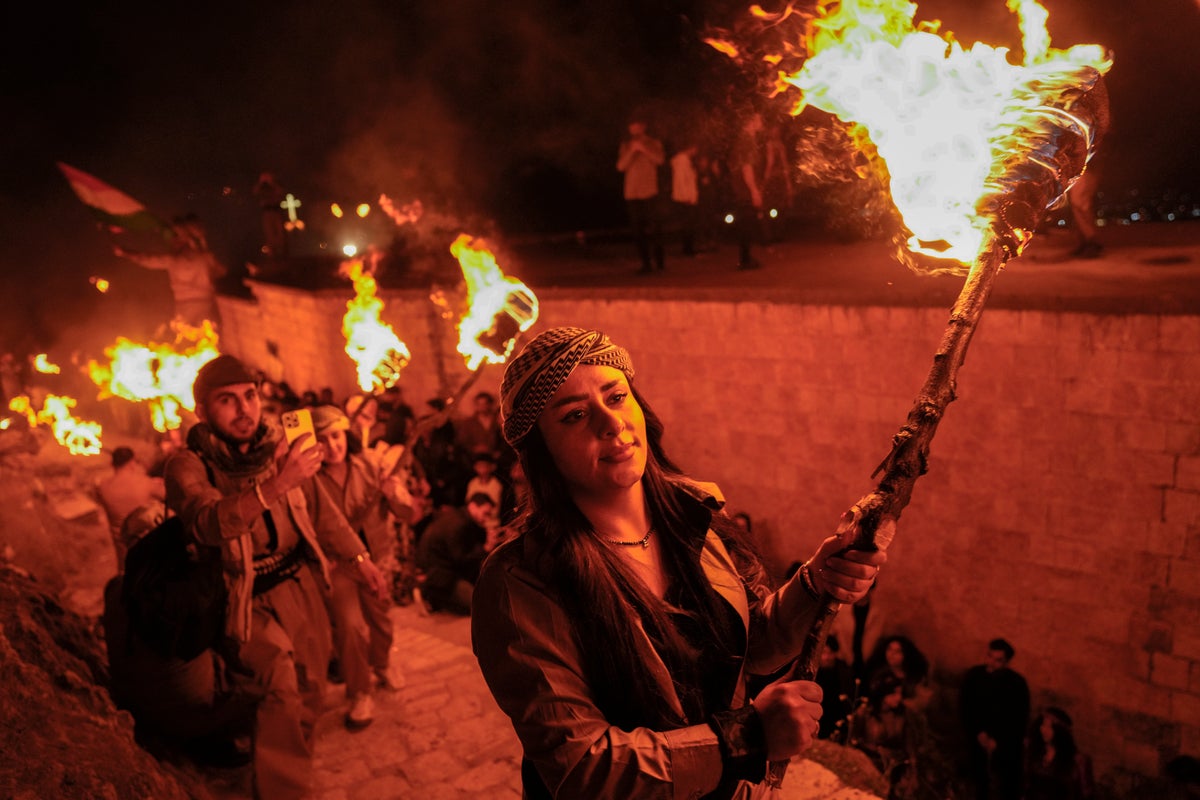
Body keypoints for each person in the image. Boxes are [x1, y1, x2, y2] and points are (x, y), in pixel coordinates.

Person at [471, 326, 887, 798]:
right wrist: (745, 737)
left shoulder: (693, 518)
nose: (610, 423)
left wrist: (815, 584)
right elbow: (580, 768)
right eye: (575, 416)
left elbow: (744, 652)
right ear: (540, 453)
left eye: (616, 395)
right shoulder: (521, 583)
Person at [164, 354, 387, 800]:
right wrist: (277, 484)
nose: (244, 410)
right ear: (202, 411)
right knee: (280, 690)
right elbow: (209, 522)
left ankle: (282, 758)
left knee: (310, 688)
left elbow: (323, 513)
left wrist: (361, 561)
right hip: (241, 596)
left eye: (249, 397)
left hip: (299, 584)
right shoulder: (188, 465)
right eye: (227, 401)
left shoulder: (280, 449)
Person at [312, 405, 411, 731]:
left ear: (347, 434)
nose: (332, 446)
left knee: (381, 620)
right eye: (322, 440)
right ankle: (359, 691)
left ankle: (382, 664)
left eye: (337, 436)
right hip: (340, 564)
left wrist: (393, 493)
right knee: (350, 627)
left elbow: (406, 512)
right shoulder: (311, 479)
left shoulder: (372, 464)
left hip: (378, 557)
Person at [114, 214, 226, 326]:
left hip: (183, 306)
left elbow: (147, 260)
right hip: (206, 305)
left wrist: (124, 252)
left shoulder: (173, 260)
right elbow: (222, 272)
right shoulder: (207, 258)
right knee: (208, 339)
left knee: (186, 340)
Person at [960, 637, 1030, 800]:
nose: (991, 663)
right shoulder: (974, 676)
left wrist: (999, 740)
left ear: (1006, 662)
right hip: (976, 740)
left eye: (998, 660)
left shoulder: (1017, 684)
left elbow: (1018, 717)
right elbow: (966, 707)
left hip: (1005, 746)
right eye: (989, 656)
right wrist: (978, 732)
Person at [415, 492, 500, 615]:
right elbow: (461, 559)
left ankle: (433, 595)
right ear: (473, 506)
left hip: (442, 568)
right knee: (478, 604)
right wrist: (486, 548)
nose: (486, 519)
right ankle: (428, 592)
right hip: (439, 573)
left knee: (482, 596)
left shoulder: (461, 517)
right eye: (485, 513)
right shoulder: (459, 524)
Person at [96, 446, 166, 570]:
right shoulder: (145, 483)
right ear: (132, 463)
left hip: (122, 548)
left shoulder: (102, 487)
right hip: (146, 544)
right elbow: (168, 495)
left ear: (112, 464)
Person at [617, 116, 666, 274]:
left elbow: (660, 160)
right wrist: (632, 150)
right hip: (632, 193)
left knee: (655, 229)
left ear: (642, 126)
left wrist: (644, 149)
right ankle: (646, 264)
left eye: (635, 125)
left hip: (650, 191)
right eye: (630, 125)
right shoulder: (626, 145)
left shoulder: (653, 142)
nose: (632, 128)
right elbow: (620, 167)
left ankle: (660, 262)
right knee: (638, 231)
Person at [1024, 707, 1094, 800]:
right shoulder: (1035, 751)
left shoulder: (1077, 761)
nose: (1044, 730)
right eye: (1043, 725)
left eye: (1049, 727)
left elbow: (1086, 793)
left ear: (1060, 731)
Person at [730, 112, 767, 271]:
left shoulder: (746, 140)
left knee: (747, 224)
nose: (762, 121)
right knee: (746, 224)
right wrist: (754, 191)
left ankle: (746, 258)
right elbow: (747, 168)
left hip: (743, 190)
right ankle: (744, 260)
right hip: (745, 191)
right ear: (750, 122)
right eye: (758, 119)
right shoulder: (746, 142)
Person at [815, 634, 856, 740]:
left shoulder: (844, 672)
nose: (826, 657)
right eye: (823, 653)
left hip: (837, 716)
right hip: (818, 715)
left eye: (830, 653)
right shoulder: (812, 671)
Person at [670, 142, 701, 257]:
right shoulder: (682, 161)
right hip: (686, 198)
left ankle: (688, 248)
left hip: (686, 197)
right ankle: (688, 249)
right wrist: (686, 196)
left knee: (688, 224)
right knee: (688, 224)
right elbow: (681, 181)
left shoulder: (684, 161)